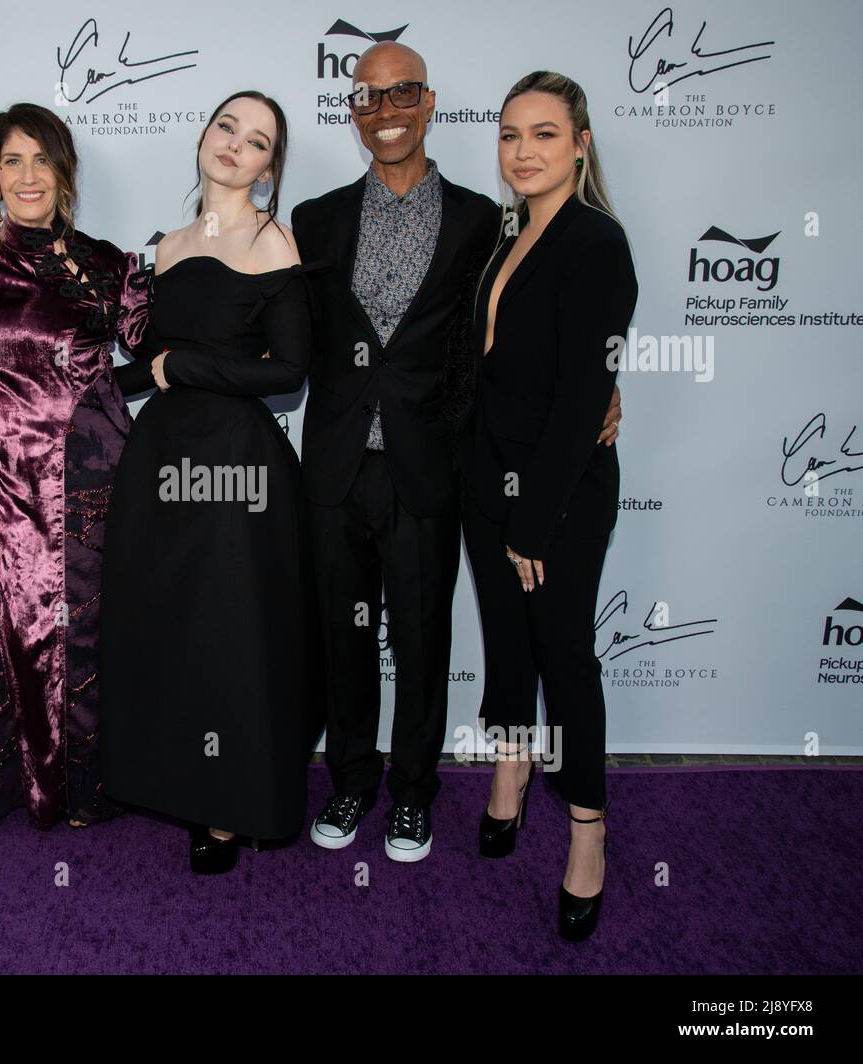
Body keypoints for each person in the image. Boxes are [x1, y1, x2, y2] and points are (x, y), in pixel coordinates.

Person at [293, 42, 621, 863]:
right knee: (344, 634)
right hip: (335, 464)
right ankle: (350, 779)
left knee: (424, 639)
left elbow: (528, 343)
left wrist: (602, 388)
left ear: (429, 102)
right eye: (368, 97)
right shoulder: (313, 219)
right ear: (354, 114)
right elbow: (286, 336)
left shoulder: (484, 220)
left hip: (433, 463)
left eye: (402, 92)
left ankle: (412, 793)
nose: (386, 109)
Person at [100, 90, 316, 874]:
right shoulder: (165, 246)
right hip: (161, 454)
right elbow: (148, 362)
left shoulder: (272, 240)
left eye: (256, 141)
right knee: (170, 627)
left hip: (235, 467)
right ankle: (176, 782)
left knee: (227, 635)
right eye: (226, 125)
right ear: (202, 131)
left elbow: (289, 370)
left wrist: (181, 366)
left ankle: (232, 808)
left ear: (269, 166)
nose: (235, 145)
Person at [459, 71, 638, 942]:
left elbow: (580, 398)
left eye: (542, 134)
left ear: (580, 144)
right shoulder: (508, 237)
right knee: (505, 643)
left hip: (557, 496)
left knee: (565, 656)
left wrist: (533, 521)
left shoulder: (595, 243)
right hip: (485, 482)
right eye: (508, 136)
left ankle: (588, 833)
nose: (522, 153)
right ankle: (510, 770)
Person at [0, 103, 151, 831]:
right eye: (12, 160)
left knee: (85, 636)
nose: (28, 176)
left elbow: (157, 353)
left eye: (42, 159)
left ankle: (87, 789)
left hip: (88, 479)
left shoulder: (105, 263)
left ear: (65, 172)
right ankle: (11, 788)